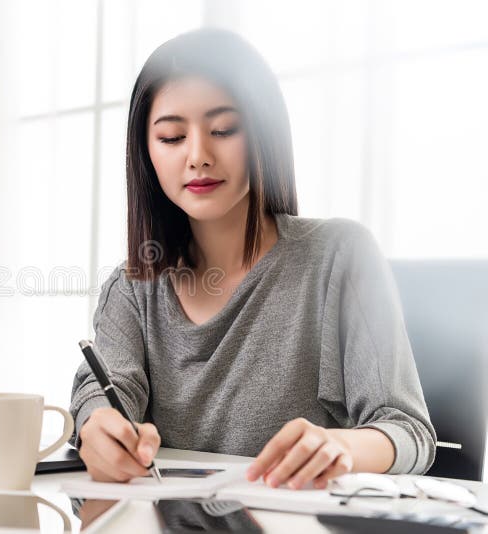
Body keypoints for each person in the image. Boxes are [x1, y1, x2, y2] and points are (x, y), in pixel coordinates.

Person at [69, 28, 435, 491]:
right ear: (146, 153)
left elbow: (409, 431)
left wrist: (341, 447)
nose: (198, 155)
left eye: (223, 129)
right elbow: (103, 391)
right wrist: (96, 427)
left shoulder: (340, 256)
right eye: (172, 136)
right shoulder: (132, 287)